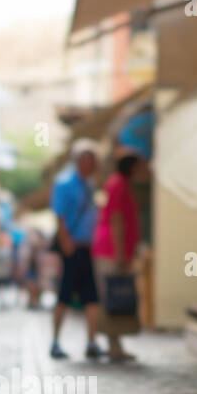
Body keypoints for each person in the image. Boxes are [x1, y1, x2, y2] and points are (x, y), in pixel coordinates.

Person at [50, 139, 102, 359]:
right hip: (72, 247)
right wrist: (66, 242)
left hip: (87, 246)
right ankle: (55, 341)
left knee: (91, 297)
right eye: (86, 159)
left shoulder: (89, 185)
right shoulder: (64, 183)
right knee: (65, 295)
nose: (89, 164)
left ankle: (91, 342)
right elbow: (60, 216)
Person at [92, 150, 145, 362]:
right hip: (111, 250)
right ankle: (113, 344)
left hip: (114, 249)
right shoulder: (118, 184)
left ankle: (116, 343)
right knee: (113, 296)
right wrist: (121, 253)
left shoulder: (120, 184)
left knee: (114, 295)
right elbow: (116, 219)